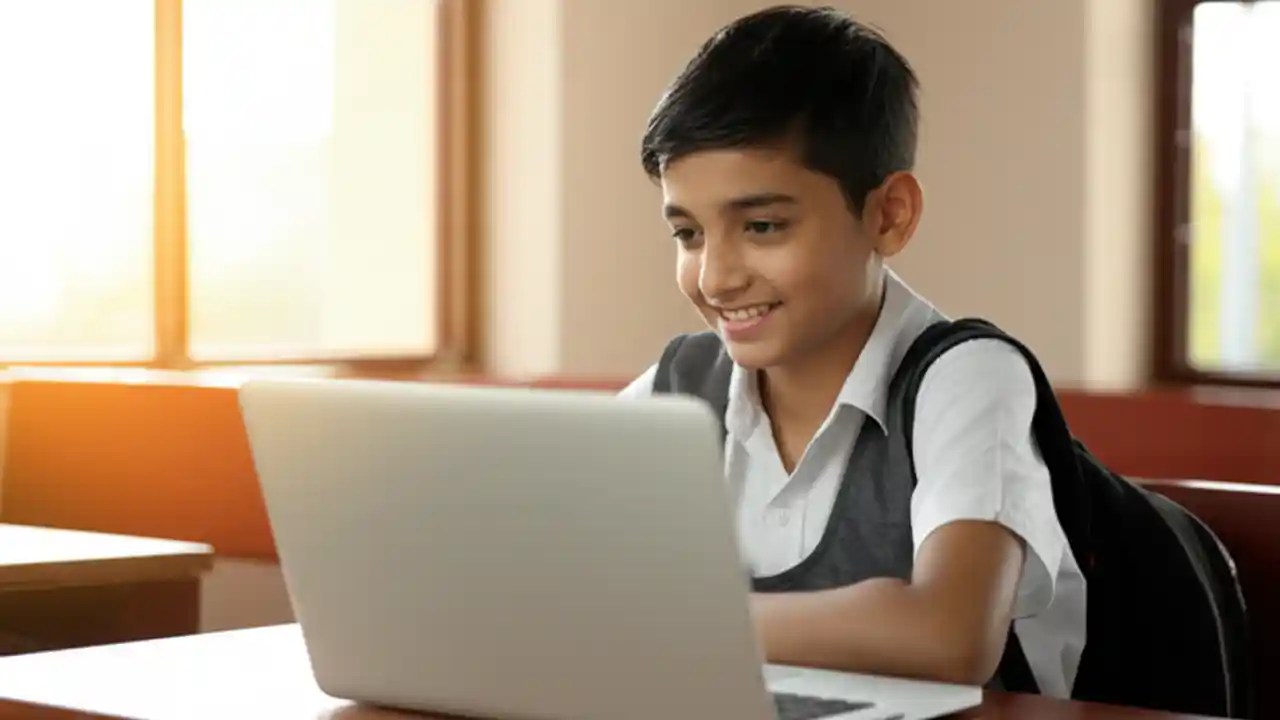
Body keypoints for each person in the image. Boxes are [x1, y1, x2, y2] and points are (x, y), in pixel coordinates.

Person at [620, 4, 1085, 697]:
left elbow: (948, 636)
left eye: (764, 225)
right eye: (688, 234)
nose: (715, 276)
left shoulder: (966, 377)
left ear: (888, 215)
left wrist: (673, 622)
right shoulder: (677, 387)